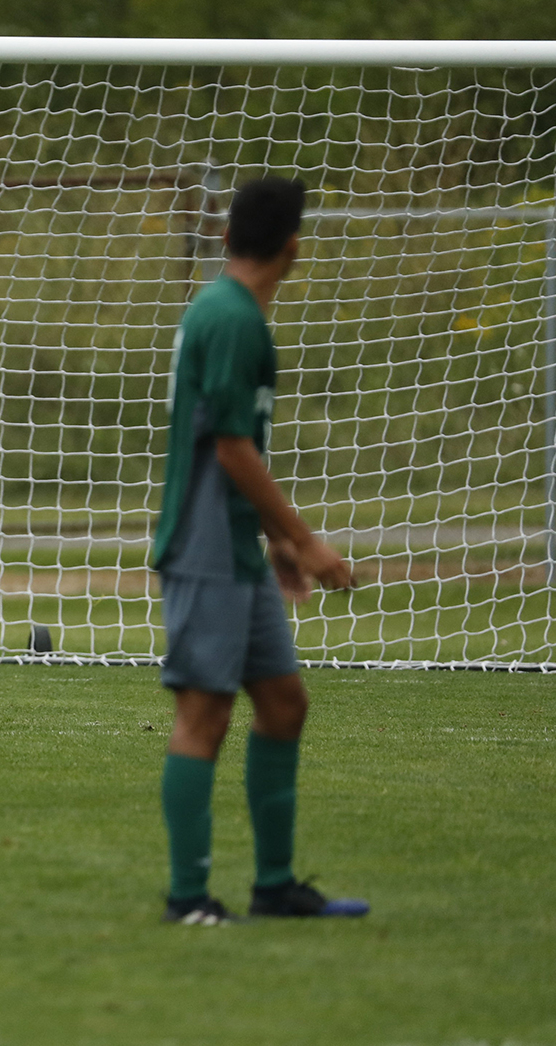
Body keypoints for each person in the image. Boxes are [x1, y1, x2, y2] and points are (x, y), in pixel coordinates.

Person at [151, 176, 368, 925]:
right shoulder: (234, 318)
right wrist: (303, 541)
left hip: (237, 546)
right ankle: (188, 898)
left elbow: (229, 446)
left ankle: (274, 885)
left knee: (282, 702)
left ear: (224, 236)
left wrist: (271, 540)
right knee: (203, 714)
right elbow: (233, 447)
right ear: (294, 247)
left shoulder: (227, 311)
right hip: (205, 546)